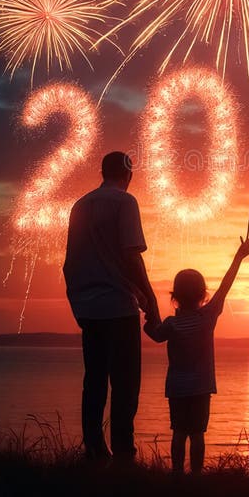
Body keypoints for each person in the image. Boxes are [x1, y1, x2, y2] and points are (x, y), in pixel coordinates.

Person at [63, 151, 161, 463]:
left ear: (102, 171)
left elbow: (71, 263)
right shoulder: (124, 202)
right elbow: (131, 257)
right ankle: (123, 452)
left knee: (94, 381)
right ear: (128, 175)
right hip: (119, 307)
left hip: (89, 308)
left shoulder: (80, 205)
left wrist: (78, 304)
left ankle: (93, 449)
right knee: (125, 383)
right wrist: (151, 299)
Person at [145, 236, 249, 475]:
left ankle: (176, 475)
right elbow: (225, 286)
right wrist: (239, 256)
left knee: (179, 432)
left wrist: (147, 313)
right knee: (197, 434)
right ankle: (195, 476)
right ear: (203, 294)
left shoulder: (171, 324)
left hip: (177, 388)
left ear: (175, 297)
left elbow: (154, 333)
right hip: (202, 387)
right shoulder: (208, 317)